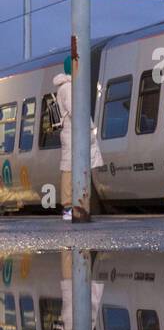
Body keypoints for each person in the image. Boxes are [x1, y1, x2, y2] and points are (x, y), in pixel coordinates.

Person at [52, 56, 104, 222]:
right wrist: (87, 126)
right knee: (69, 168)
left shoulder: (69, 86)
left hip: (75, 132)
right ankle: (69, 206)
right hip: (74, 133)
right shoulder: (68, 88)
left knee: (76, 167)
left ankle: (76, 204)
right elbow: (75, 110)